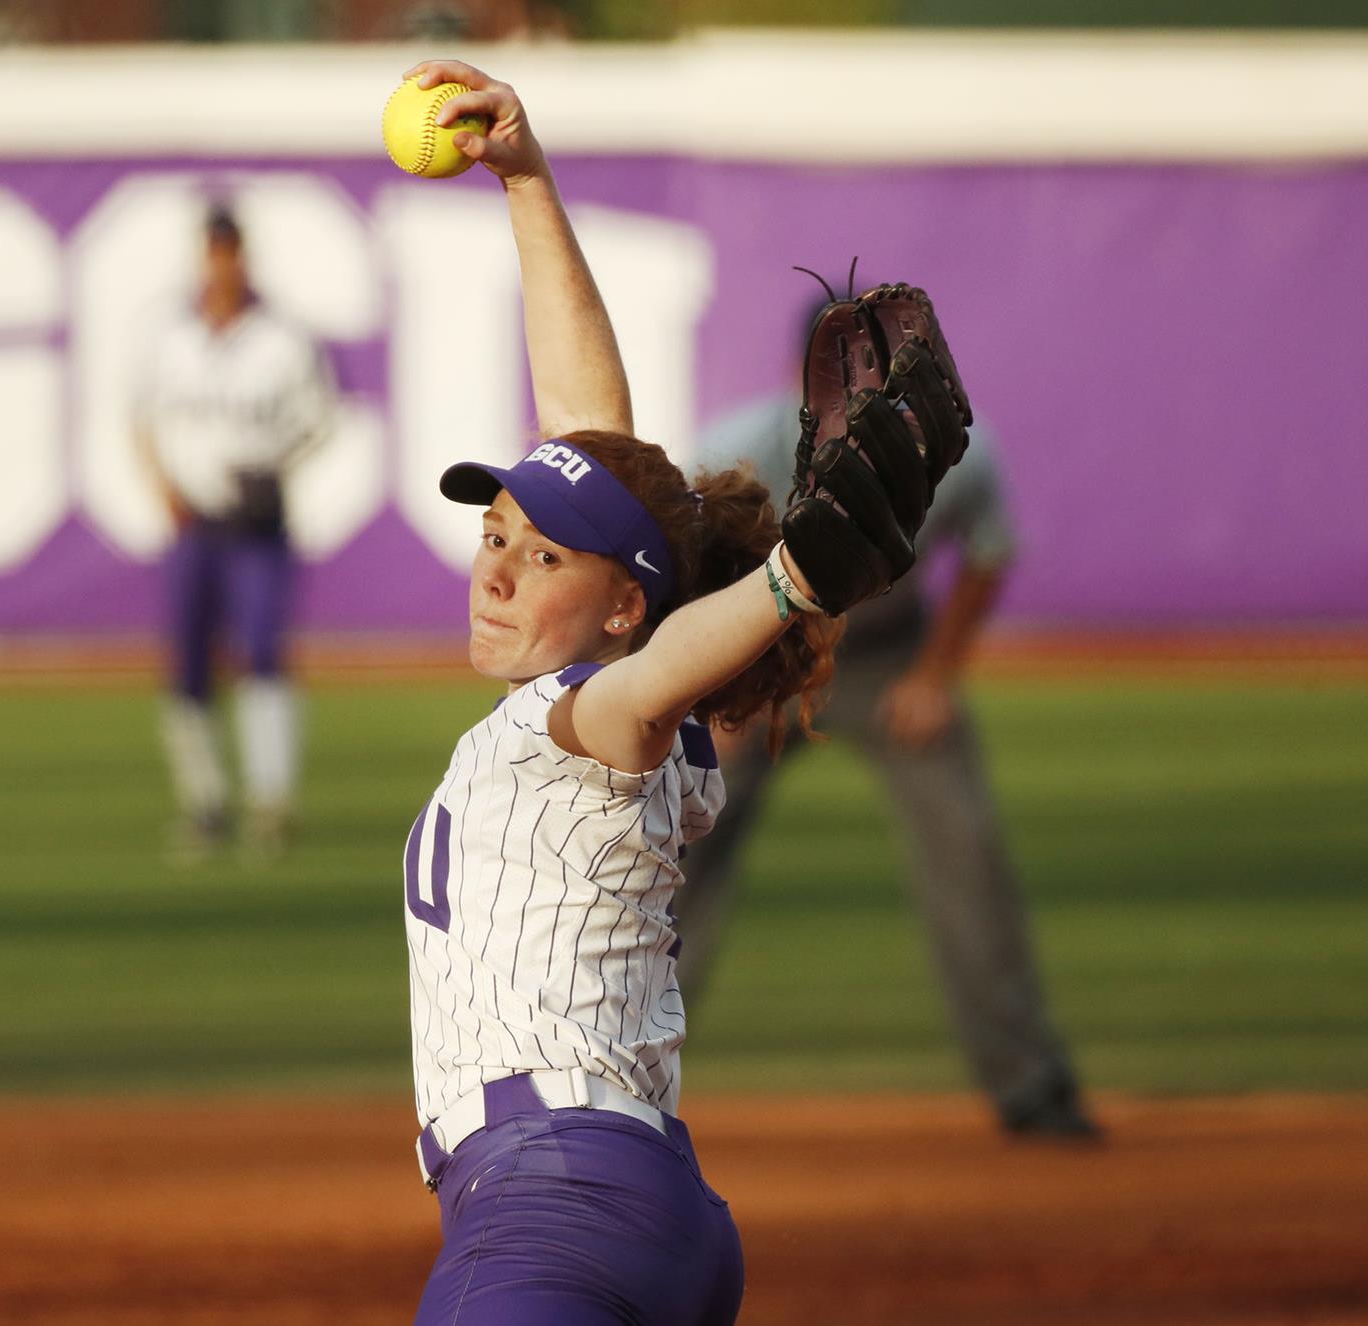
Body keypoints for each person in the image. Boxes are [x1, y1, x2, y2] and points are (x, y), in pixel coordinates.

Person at [395, 61, 964, 1325]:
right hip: (650, 1207)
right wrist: (525, 177)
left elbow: (658, 660)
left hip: (552, 1211)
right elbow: (585, 431)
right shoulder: (622, 695)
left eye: (539, 556)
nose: (495, 567)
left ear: (618, 602)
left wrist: (793, 582)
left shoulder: (588, 721)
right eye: (495, 531)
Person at [669, 318, 1100, 1141]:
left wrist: (936, 675)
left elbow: (990, 550)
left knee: (966, 853)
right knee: (673, 858)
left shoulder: (957, 457)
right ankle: (609, 1086)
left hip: (886, 658)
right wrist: (709, 693)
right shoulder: (741, 452)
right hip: (758, 660)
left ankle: (1033, 1089)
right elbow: (689, 578)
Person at [134, 203, 335, 856]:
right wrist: (164, 488)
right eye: (215, 249)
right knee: (188, 664)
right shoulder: (170, 334)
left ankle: (271, 801)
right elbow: (141, 418)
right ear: (204, 255)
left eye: (232, 249)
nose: (224, 261)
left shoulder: (282, 338)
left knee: (262, 654)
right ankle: (204, 802)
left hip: (254, 521)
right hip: (192, 521)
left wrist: (274, 466)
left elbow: (320, 417)